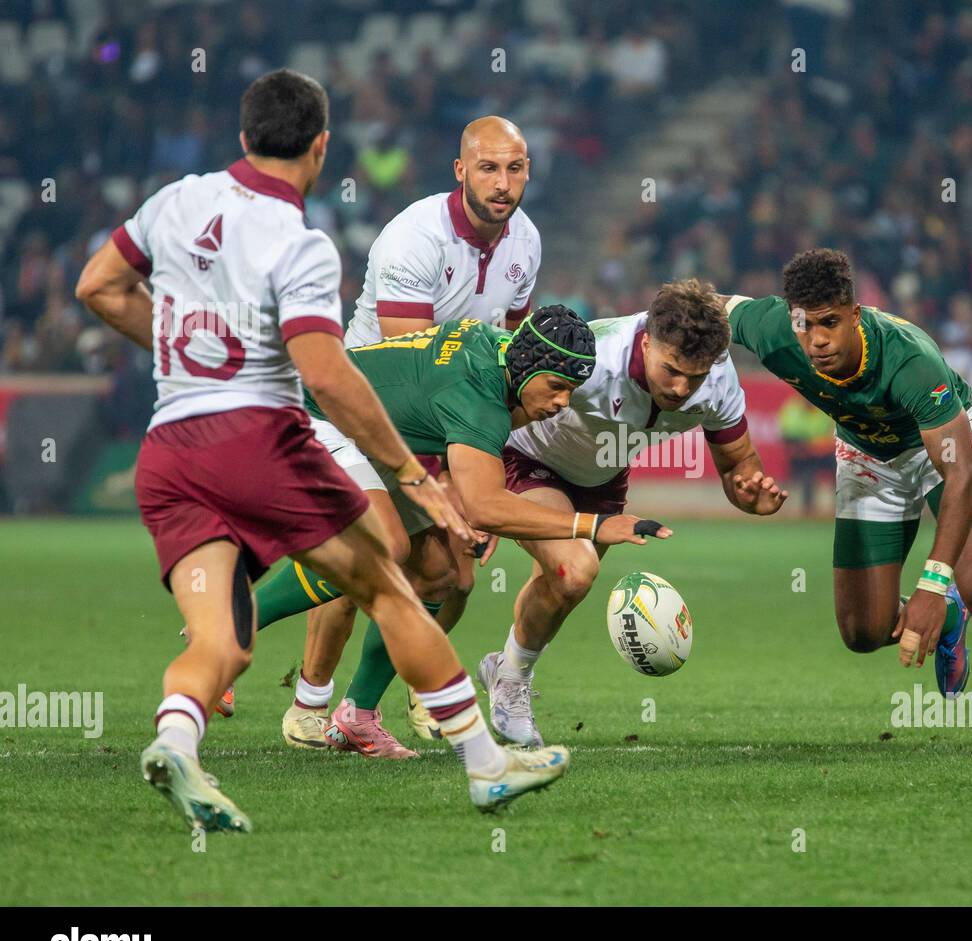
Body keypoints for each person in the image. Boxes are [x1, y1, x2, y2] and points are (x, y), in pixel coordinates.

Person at [74, 69, 571, 831]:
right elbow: (329, 376)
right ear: (320, 147)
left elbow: (98, 287)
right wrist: (415, 472)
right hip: (262, 440)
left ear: (243, 137)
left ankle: (177, 736)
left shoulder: (172, 202)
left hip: (169, 452)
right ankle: (484, 764)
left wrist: (189, 351)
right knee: (392, 582)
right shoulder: (300, 245)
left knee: (222, 640)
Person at [253, 308, 674, 754]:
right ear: (529, 366)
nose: (562, 403)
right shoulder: (480, 396)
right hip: (308, 416)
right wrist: (596, 525)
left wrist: (474, 498)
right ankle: (235, 617)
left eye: (571, 391)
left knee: (437, 573)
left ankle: (357, 716)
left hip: (374, 437)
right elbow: (486, 506)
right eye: (557, 386)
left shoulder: (497, 355)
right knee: (386, 545)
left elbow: (473, 480)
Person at [724, 249, 972, 751]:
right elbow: (706, 307)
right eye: (805, 325)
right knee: (861, 632)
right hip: (866, 456)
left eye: (830, 322)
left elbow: (961, 475)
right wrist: (644, 329)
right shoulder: (771, 329)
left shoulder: (910, 359)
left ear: (856, 314)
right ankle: (950, 621)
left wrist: (933, 584)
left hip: (941, 446)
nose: (817, 339)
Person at [257, 115, 542, 741]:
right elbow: (412, 373)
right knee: (374, 551)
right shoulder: (413, 238)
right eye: (488, 168)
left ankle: (403, 689)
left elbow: (511, 358)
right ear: (460, 170)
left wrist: (483, 475)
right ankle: (307, 699)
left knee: (452, 575)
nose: (502, 183)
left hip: (440, 419)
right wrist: (449, 481)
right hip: (359, 409)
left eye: (515, 168)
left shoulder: (526, 242)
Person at [478, 279, 786, 746]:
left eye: (696, 377)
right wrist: (481, 497)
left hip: (604, 476)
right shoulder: (596, 359)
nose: (683, 389)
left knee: (563, 585)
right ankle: (507, 685)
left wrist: (749, 492)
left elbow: (739, 464)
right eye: (672, 371)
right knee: (574, 572)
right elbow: (499, 400)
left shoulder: (717, 378)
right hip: (528, 456)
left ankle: (504, 669)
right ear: (646, 341)